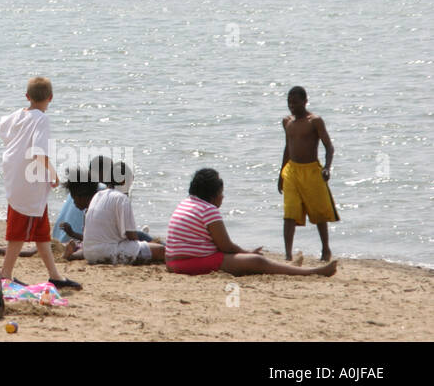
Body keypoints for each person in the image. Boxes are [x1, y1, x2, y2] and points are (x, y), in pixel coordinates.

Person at [167, 168, 336, 277]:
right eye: (221, 192)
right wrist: (247, 253)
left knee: (249, 260)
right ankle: (312, 272)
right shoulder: (209, 210)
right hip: (189, 263)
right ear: (213, 195)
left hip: (174, 262)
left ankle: (290, 267)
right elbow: (226, 247)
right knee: (257, 262)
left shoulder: (186, 203)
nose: (223, 196)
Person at [0, 77, 80, 290]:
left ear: (27, 97)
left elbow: (4, 129)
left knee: (41, 231)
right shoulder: (41, 119)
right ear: (51, 98)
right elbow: (38, 152)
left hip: (15, 176)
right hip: (28, 181)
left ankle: (55, 275)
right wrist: (53, 174)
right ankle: (4, 274)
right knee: (19, 230)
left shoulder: (17, 115)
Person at [279, 86, 338, 262]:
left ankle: (325, 250)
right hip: (291, 171)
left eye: (295, 102)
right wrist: (280, 174)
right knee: (289, 212)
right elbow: (287, 148)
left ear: (305, 101)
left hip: (312, 171)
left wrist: (327, 167)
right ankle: (288, 255)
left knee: (319, 212)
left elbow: (329, 146)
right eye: (289, 102)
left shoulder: (315, 121)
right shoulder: (287, 122)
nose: (292, 106)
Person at [82, 163, 165, 265]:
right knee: (161, 250)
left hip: (89, 253)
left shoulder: (97, 195)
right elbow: (132, 236)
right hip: (107, 253)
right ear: (123, 181)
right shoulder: (121, 198)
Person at [54, 172, 97, 261]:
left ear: (81, 197)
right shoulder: (89, 211)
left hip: (95, 246)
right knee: (55, 245)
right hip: (89, 243)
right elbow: (87, 237)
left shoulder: (92, 212)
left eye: (74, 199)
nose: (74, 203)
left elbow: (92, 239)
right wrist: (71, 233)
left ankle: (71, 256)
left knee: (84, 249)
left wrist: (72, 234)